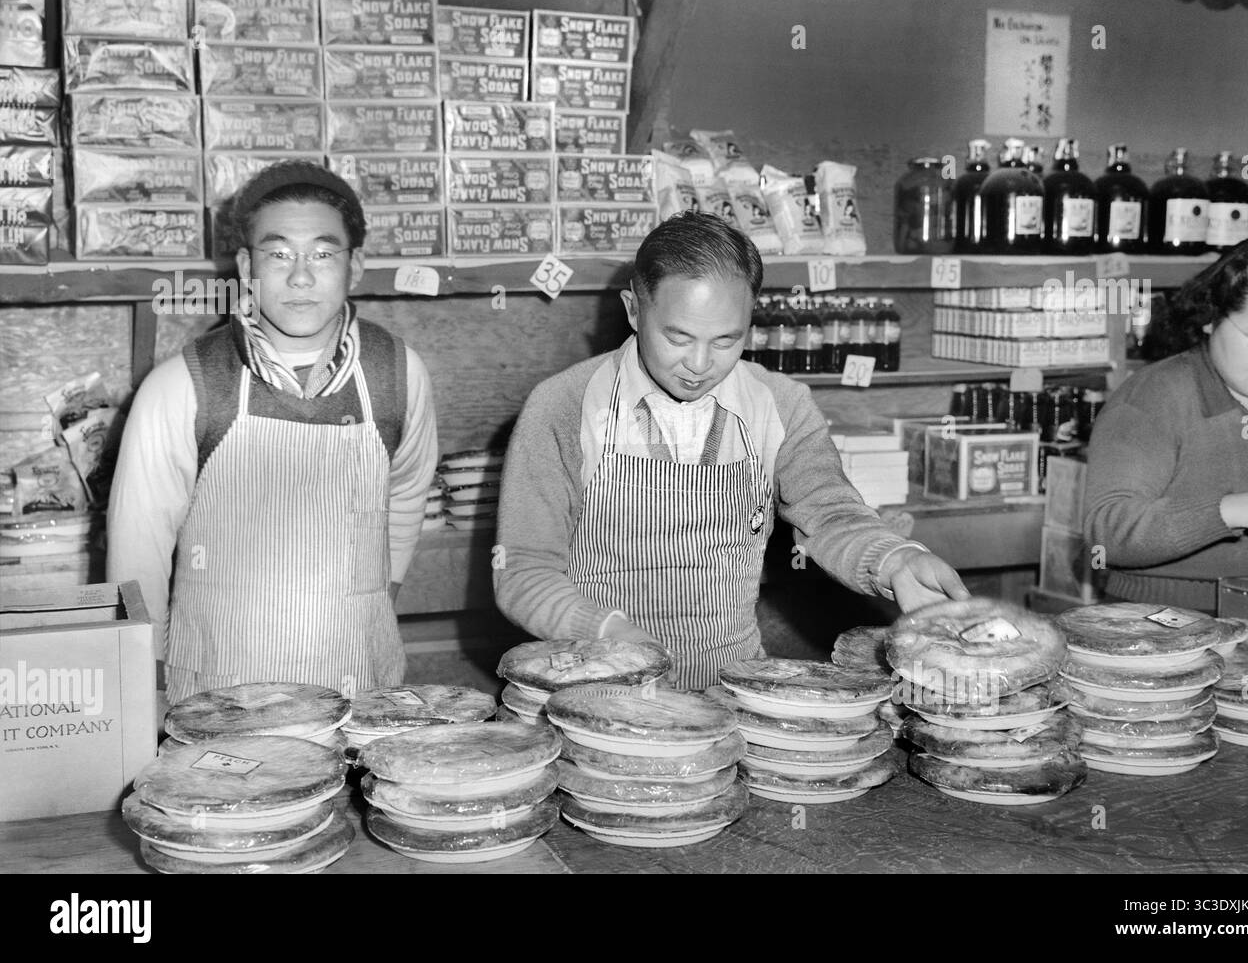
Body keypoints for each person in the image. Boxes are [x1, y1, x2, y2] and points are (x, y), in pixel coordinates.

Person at [493, 212, 969, 689]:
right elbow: (523, 571)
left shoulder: (780, 404)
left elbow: (832, 514)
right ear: (634, 310)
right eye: (677, 337)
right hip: (592, 691)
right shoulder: (564, 405)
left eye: (727, 340)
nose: (699, 365)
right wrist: (608, 634)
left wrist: (895, 559)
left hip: (731, 691)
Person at [108, 161, 438, 702]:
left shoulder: (397, 373)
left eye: (324, 254)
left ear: (356, 267)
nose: (301, 276)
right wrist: (149, 689)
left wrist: (371, 600)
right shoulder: (183, 386)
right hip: (219, 698)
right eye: (278, 254)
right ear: (245, 265)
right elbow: (136, 560)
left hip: (362, 689)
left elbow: (405, 494)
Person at [1084, 236, 1248, 613]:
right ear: (1209, 320)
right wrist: (1234, 510)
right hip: (1157, 621)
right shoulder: (1153, 398)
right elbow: (1105, 537)